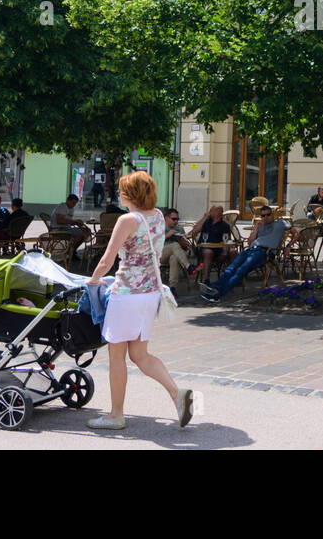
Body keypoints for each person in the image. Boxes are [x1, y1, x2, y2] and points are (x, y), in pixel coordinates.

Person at [85, 171, 193, 430]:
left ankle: (115, 415)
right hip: (150, 294)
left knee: (117, 357)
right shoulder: (157, 216)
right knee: (140, 355)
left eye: (123, 190)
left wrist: (92, 280)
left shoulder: (127, 220)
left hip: (127, 295)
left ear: (130, 194)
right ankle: (177, 394)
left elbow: (107, 259)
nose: (120, 193)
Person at [199, 205, 290, 302]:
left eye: (268, 215)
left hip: (265, 252)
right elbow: (250, 242)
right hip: (251, 250)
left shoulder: (280, 223)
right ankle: (214, 288)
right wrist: (256, 228)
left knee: (241, 270)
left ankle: (218, 294)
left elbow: (296, 233)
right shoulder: (260, 226)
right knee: (231, 268)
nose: (266, 217)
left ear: (272, 214)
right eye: (263, 216)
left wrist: (288, 246)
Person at [188, 206, 236, 283]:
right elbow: (194, 232)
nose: (209, 212)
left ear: (218, 213)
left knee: (233, 252)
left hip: (218, 249)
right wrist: (205, 217)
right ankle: (206, 279)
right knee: (208, 252)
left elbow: (228, 240)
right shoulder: (206, 222)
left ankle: (232, 277)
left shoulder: (225, 225)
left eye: (212, 210)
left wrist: (226, 250)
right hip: (203, 249)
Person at [160, 208, 193, 296]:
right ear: (166, 218)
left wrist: (182, 241)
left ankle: (172, 288)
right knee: (174, 245)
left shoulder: (179, 229)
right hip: (160, 255)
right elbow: (153, 242)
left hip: (174, 256)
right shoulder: (159, 227)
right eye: (173, 219)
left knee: (174, 258)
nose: (176, 221)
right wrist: (167, 235)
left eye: (177, 219)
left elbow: (185, 248)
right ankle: (188, 267)